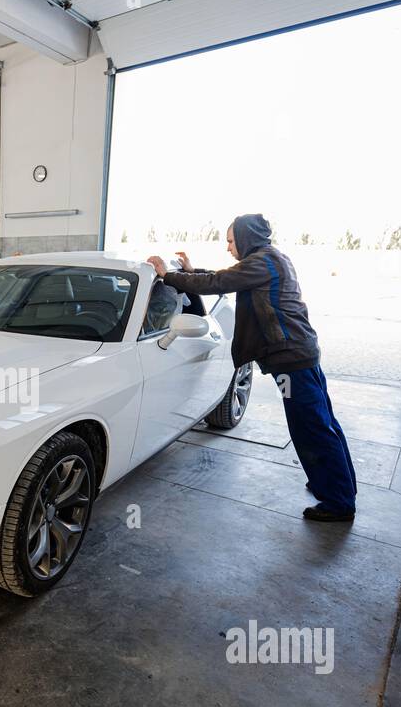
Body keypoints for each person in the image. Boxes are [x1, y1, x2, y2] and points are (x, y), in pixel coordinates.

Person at [147, 214, 357, 522]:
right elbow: (227, 276)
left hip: (291, 359)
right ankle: (337, 485)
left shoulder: (263, 262)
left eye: (231, 241)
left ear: (246, 238)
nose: (229, 248)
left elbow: (219, 282)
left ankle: (339, 502)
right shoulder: (269, 259)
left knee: (311, 427)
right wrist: (192, 272)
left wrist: (169, 276)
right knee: (322, 423)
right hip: (300, 354)